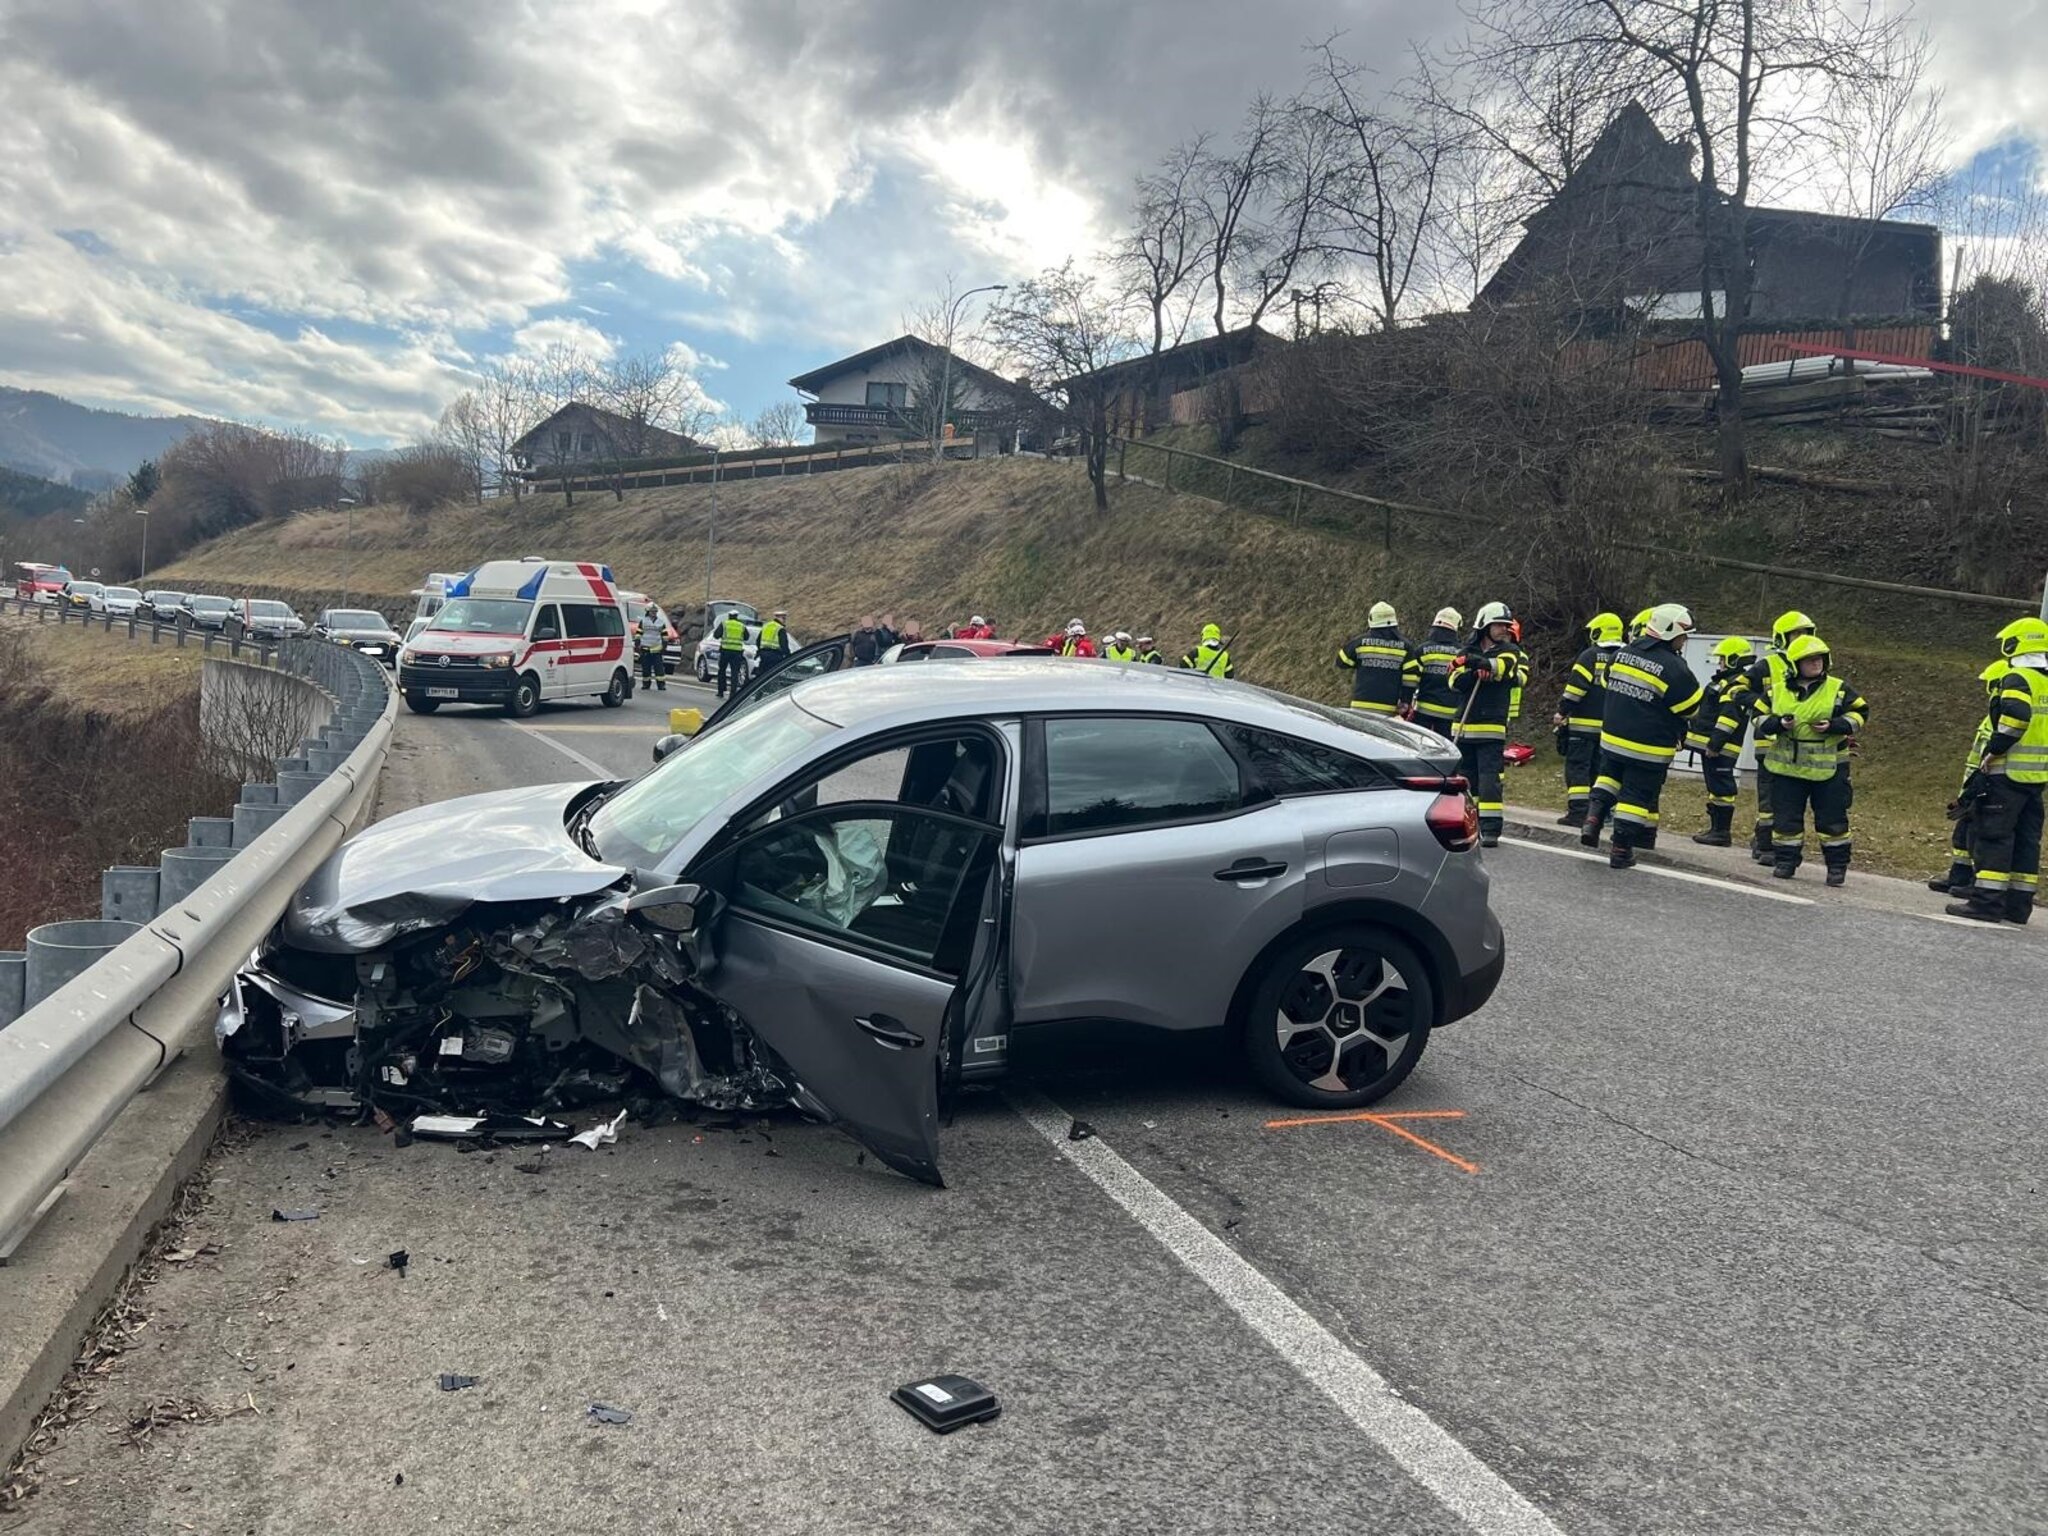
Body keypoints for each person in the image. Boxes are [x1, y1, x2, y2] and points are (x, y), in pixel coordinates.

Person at [1580, 603, 1702, 870]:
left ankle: (1592, 820)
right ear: (1670, 632)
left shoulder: (1622, 654)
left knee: (1608, 779)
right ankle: (1621, 850)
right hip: (1649, 747)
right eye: (1683, 634)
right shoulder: (1674, 667)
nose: (1684, 640)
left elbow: (1607, 683)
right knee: (1635, 797)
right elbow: (1691, 708)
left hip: (1612, 739)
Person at [1947, 616, 2048, 924]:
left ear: (2016, 644)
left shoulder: (2018, 678)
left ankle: (1986, 903)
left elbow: (2016, 717)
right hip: (2036, 778)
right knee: (2027, 842)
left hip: (2006, 775)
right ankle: (2017, 906)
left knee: (1993, 837)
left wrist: (1994, 750)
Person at [1755, 635, 1868, 886]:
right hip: (1787, 767)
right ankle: (1785, 862)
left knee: (1832, 820)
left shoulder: (1839, 688)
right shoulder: (1776, 690)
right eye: (1809, 660)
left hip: (1829, 769)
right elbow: (1758, 716)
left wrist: (1835, 725)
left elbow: (1860, 712)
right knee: (1786, 819)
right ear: (1796, 665)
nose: (1816, 663)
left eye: (1819, 658)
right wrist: (1778, 724)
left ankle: (1836, 867)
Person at [1742, 610, 1818, 864]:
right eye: (1796, 634)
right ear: (1781, 638)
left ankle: (1774, 843)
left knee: (1790, 800)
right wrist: (1765, 706)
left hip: (1801, 747)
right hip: (1769, 743)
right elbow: (1737, 689)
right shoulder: (1768, 665)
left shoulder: (1814, 666)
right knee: (1769, 798)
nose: (1801, 638)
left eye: (1806, 634)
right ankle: (1766, 845)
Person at [1449, 601, 1526, 848]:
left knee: (1489, 779)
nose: (1504, 629)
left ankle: (1491, 829)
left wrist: (1474, 663)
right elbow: (1453, 680)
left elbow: (1502, 668)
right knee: (1466, 780)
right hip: (1463, 726)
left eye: (1506, 625)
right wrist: (1473, 672)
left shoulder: (1509, 650)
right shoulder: (1465, 650)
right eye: (1499, 625)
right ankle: (1467, 823)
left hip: (1491, 727)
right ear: (1484, 626)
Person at [1930, 661, 2010, 898]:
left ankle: (1977, 882)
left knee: (1979, 836)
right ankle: (1959, 876)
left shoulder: (2003, 717)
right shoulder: (1992, 716)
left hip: (1989, 785)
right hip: (1975, 785)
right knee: (1963, 834)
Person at [1553, 612, 1624, 828]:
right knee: (1600, 773)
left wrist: (1562, 712)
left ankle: (1578, 813)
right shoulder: (1626, 657)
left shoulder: (1589, 656)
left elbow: (1576, 689)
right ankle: (1599, 814)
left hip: (1583, 728)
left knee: (1578, 770)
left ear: (1597, 632)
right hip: (1611, 730)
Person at [1686, 636, 1756, 846]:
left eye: (1723, 659)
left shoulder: (1734, 686)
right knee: (1715, 788)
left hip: (1721, 749)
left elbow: (1729, 718)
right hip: (1714, 747)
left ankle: (1721, 832)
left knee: (1722, 788)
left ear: (1734, 660)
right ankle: (1716, 829)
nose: (1720, 664)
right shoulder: (1725, 683)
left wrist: (1715, 744)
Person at [1337, 601, 1419, 716]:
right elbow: (1411, 678)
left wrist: (1362, 662)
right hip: (1388, 708)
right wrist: (1406, 700)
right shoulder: (1405, 647)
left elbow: (1341, 661)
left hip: (1360, 705)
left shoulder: (1360, 642)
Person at [1412, 608, 1464, 738]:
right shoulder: (1462, 654)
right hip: (1450, 714)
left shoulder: (1422, 650)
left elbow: (1412, 679)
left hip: (1423, 712)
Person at [715, 607, 749, 698]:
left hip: (725, 651)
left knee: (722, 670)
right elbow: (747, 637)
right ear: (737, 616)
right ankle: (732, 694)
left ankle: (721, 691)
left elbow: (716, 635)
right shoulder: (741, 626)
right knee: (735, 673)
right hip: (737, 653)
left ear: (729, 616)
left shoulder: (724, 624)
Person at [635, 608, 667, 691]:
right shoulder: (643, 621)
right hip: (645, 648)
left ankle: (661, 685)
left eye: (655, 611)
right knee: (646, 669)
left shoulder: (661, 622)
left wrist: (664, 646)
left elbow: (664, 635)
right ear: (648, 612)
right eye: (652, 611)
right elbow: (638, 633)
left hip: (657, 649)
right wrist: (637, 644)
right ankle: (646, 684)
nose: (654, 613)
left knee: (659, 669)